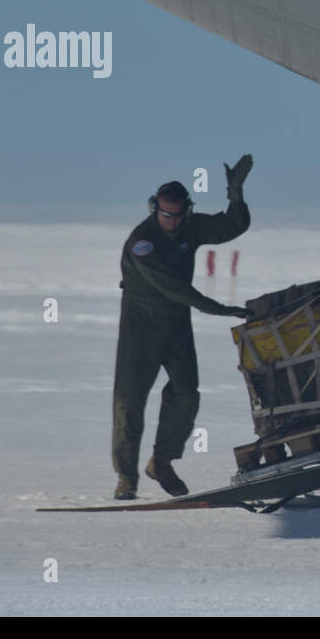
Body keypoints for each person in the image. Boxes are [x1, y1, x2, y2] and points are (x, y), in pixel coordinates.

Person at [111, 154, 254, 500]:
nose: (171, 222)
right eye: (165, 215)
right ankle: (127, 477)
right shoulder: (141, 242)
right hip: (140, 331)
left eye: (176, 215)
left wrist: (236, 193)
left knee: (186, 394)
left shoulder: (189, 226)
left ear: (185, 211)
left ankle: (161, 462)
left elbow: (230, 226)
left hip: (176, 327)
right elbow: (175, 288)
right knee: (130, 403)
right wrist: (219, 309)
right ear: (154, 209)